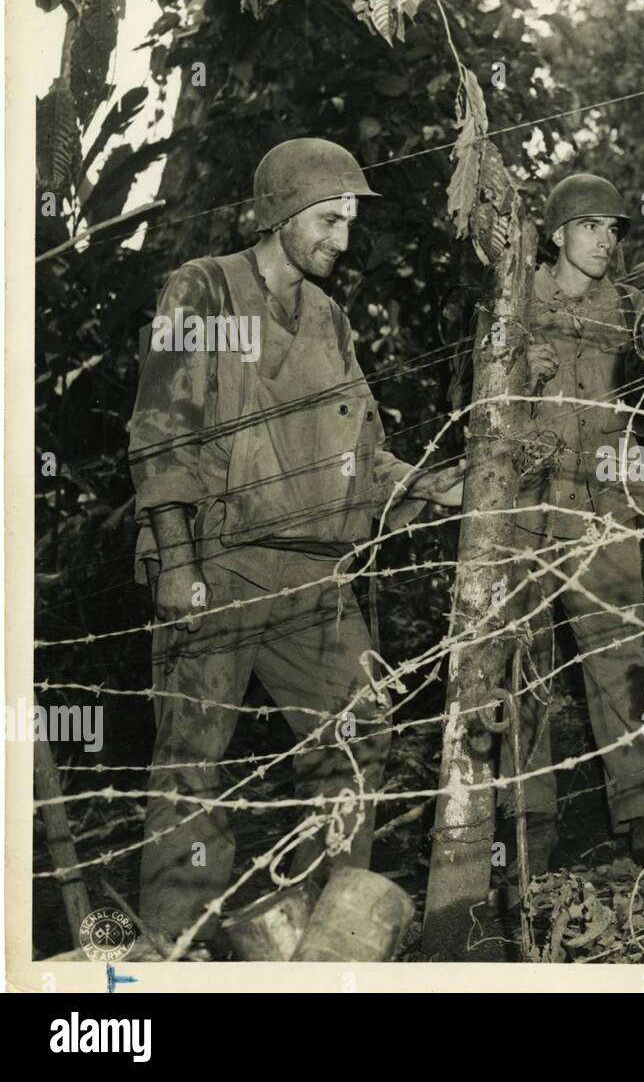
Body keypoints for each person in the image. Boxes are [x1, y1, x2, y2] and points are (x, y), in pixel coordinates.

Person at [129, 138, 464, 946]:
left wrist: (436, 484)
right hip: (219, 559)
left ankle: (326, 924)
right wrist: (177, 562)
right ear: (279, 214)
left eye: (348, 221)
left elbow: (358, 453)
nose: (341, 240)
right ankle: (174, 939)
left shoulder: (329, 319)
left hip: (314, 572)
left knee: (358, 735)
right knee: (192, 761)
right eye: (327, 219)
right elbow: (161, 432)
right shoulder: (204, 289)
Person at [504, 174, 644, 873]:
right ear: (558, 233)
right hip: (525, 510)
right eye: (591, 226)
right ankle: (526, 835)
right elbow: (466, 403)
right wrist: (513, 367)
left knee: (623, 666)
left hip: (603, 507)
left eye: (613, 228)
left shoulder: (627, 310)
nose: (606, 240)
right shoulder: (514, 302)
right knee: (523, 670)